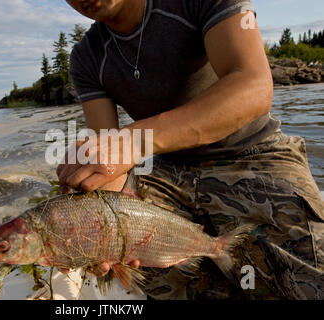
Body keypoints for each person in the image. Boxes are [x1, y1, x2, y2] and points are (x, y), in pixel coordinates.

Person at [58, 0, 324, 299]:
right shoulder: (86, 57)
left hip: (255, 152)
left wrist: (135, 140)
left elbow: (254, 87)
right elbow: (106, 157)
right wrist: (100, 226)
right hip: (167, 170)